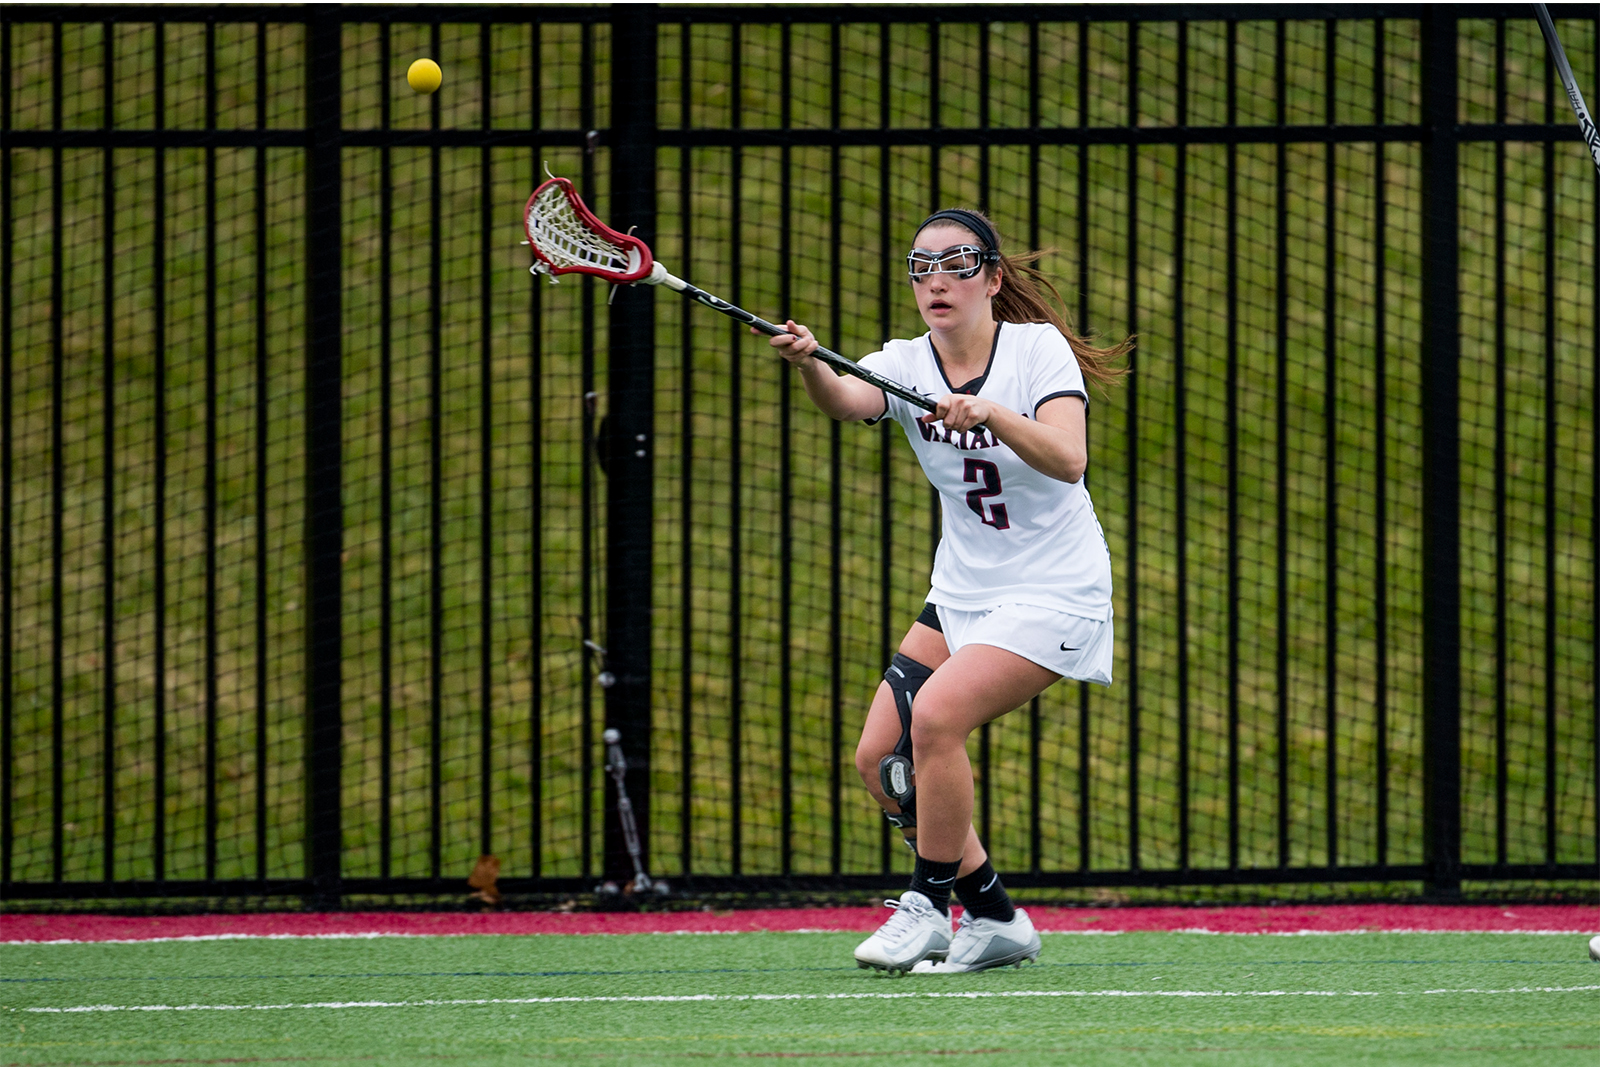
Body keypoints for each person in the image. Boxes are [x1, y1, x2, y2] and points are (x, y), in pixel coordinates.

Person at [760, 208, 1129, 974]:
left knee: (934, 718)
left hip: (1055, 589)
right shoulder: (902, 362)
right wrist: (809, 364)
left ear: (993, 278)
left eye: (958, 263)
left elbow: (1068, 458)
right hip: (963, 591)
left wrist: (992, 411)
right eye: (922, 266)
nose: (936, 279)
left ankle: (927, 905)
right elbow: (849, 403)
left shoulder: (1037, 350)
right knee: (877, 759)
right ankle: (993, 915)